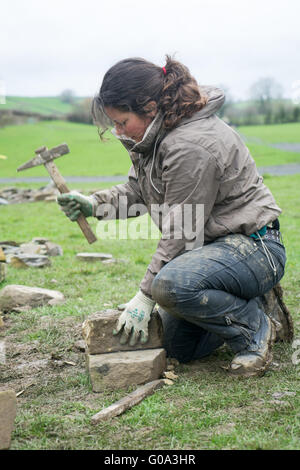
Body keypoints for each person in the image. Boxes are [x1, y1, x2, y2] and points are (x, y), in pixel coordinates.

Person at [57, 56, 287, 377]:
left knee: (171, 287)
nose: (117, 130)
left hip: (254, 248)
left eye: (122, 121)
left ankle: (254, 327)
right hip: (211, 253)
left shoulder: (190, 144)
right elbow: (139, 192)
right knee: (176, 347)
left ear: (150, 107)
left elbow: (182, 230)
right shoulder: (157, 136)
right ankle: (244, 304)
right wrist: (93, 204)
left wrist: (145, 294)